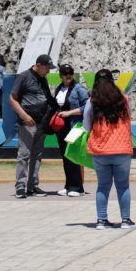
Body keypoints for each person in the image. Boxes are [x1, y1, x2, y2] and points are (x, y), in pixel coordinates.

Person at [83, 69, 134, 229]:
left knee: (103, 186)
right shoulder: (124, 99)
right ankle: (125, 220)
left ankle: (101, 220)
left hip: (100, 149)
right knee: (123, 185)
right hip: (122, 149)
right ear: (113, 81)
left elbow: (86, 124)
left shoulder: (92, 101)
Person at [10, 54, 55, 199]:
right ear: (39, 65)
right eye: (47, 68)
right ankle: (20, 187)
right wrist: (24, 115)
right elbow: (12, 98)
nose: (49, 71)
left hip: (41, 123)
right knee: (24, 155)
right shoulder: (24, 76)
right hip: (27, 123)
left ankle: (33, 186)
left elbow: (48, 98)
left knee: (37, 155)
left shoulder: (43, 79)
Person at [53, 63, 89, 196]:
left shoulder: (79, 88)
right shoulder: (59, 89)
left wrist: (69, 113)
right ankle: (68, 185)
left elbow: (87, 106)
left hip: (74, 125)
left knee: (73, 156)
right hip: (61, 127)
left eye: (70, 73)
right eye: (65, 73)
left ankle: (77, 187)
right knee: (65, 156)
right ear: (61, 75)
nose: (68, 75)